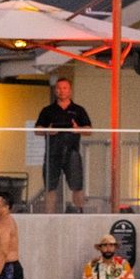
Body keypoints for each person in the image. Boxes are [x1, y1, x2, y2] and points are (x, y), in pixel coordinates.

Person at [34, 77, 91, 214]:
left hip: (72, 152)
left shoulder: (78, 110)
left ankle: (79, 213)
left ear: (70, 91)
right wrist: (48, 130)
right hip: (52, 152)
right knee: (50, 187)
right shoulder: (47, 110)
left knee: (77, 185)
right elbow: (37, 130)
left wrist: (78, 129)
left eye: (65, 88)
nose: (62, 91)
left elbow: (89, 130)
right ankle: (49, 216)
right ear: (55, 90)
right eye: (59, 88)